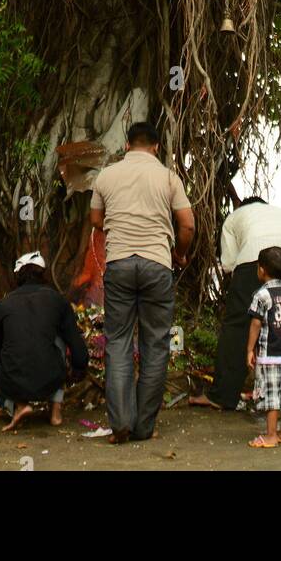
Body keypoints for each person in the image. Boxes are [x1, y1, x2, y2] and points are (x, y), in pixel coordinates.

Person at [90, 120, 195, 443]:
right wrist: (178, 254)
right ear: (156, 147)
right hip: (157, 265)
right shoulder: (167, 176)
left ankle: (120, 423)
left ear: (126, 146)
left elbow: (95, 219)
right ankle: (144, 427)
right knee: (155, 344)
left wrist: (120, 233)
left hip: (120, 264)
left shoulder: (106, 175)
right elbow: (187, 225)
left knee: (118, 343)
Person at [187, 197, 281, 411]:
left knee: (238, 324)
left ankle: (223, 395)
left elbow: (229, 264)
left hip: (253, 259)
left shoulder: (234, 218)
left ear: (243, 207)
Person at [0, 251, 88, 430]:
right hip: (52, 377)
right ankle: (55, 411)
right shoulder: (57, 300)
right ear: (43, 275)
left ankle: (19, 406)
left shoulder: (4, 304)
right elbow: (77, 350)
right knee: (56, 341)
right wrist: (77, 370)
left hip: (12, 381)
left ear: (18, 276)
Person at [246, 246, 281, 448]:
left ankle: (270, 435)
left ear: (261, 270)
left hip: (268, 355)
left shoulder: (261, 295)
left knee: (271, 395)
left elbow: (256, 323)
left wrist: (250, 350)